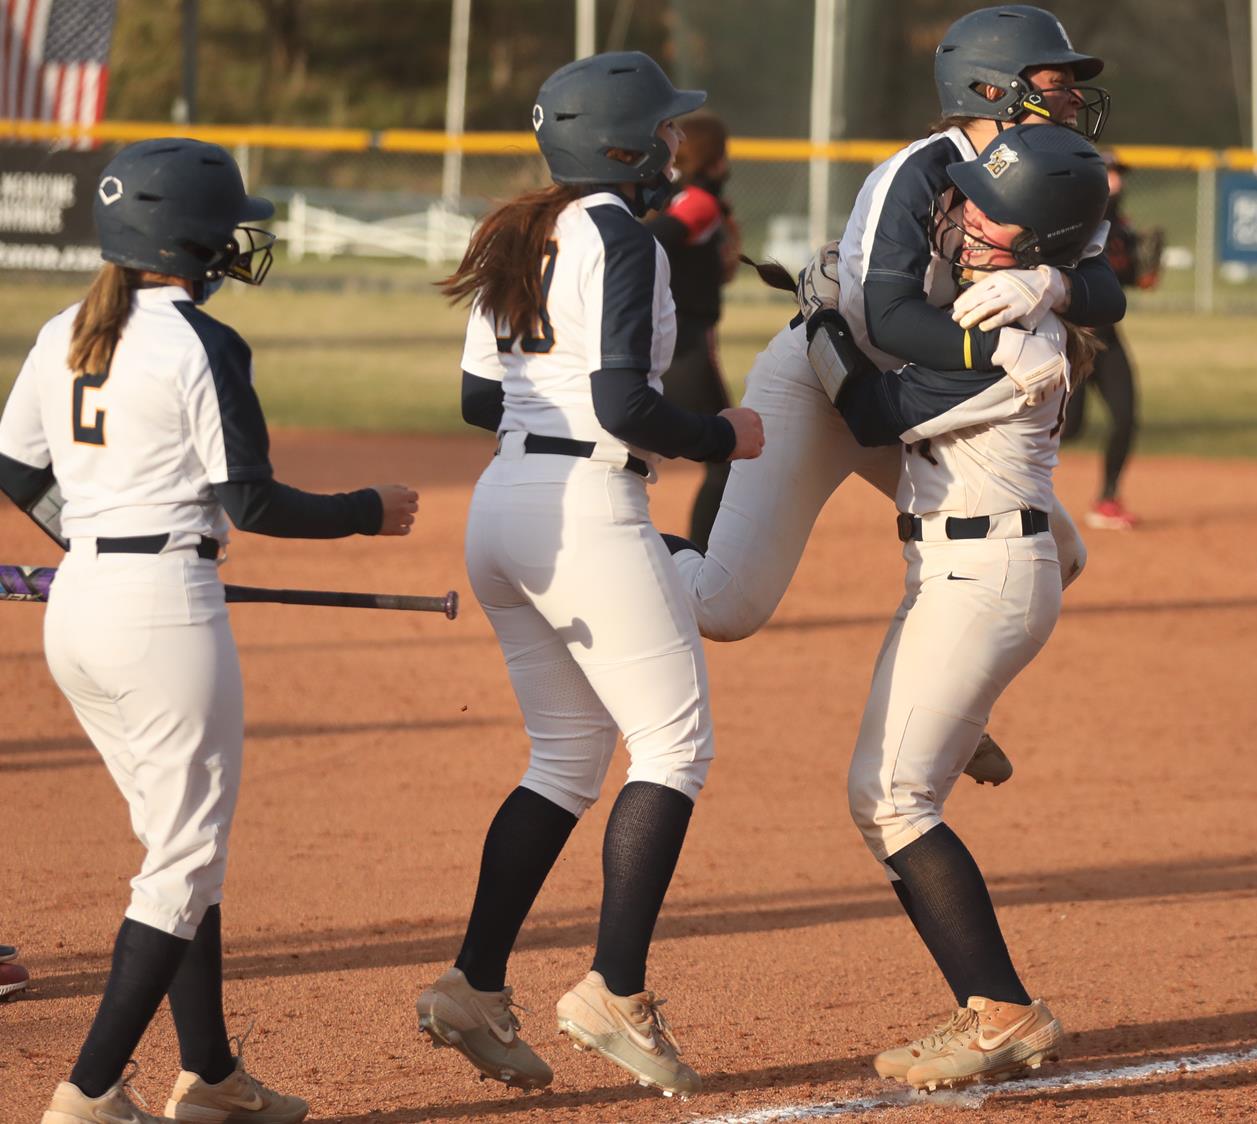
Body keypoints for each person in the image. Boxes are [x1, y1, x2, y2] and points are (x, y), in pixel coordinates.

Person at [0, 138, 419, 1124]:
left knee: (179, 850)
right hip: (161, 619)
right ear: (186, 237)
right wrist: (369, 507)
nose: (240, 239)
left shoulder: (67, 324)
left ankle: (212, 1075)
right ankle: (90, 1090)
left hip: (84, 608)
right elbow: (257, 501)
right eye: (227, 224)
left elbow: (17, 469)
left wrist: (101, 536)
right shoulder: (203, 342)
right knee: (181, 863)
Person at [416, 53, 760, 1098]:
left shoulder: (521, 228)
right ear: (619, 145)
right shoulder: (622, 234)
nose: (670, 144)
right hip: (585, 505)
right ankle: (614, 985)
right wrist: (720, 434)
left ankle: (474, 981)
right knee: (672, 742)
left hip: (504, 506)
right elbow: (621, 401)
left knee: (565, 757)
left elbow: (483, 401)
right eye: (658, 131)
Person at [671, 4, 1122, 789]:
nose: (1070, 99)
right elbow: (887, 318)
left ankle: (947, 706)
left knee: (1065, 553)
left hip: (927, 397)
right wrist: (998, 350)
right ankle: (614, 558)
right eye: (1052, 82)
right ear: (989, 89)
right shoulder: (915, 172)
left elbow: (1104, 290)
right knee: (724, 607)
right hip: (825, 378)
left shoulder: (1052, 168)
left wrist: (1048, 279)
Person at [799, 124, 1106, 1091]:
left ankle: (1001, 1011)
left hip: (983, 577)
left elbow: (868, 414)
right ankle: (961, 724)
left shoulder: (1012, 337)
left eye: (994, 211)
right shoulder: (999, 305)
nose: (969, 212)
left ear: (1042, 248)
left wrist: (818, 325)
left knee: (890, 798)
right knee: (891, 788)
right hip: (964, 570)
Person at [645, 112, 740, 548]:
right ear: (717, 161)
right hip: (682, 349)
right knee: (726, 457)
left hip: (681, 343)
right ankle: (700, 564)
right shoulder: (699, 201)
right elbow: (650, 242)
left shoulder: (680, 195)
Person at [1063, 150, 1156, 530]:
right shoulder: (1073, 220)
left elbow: (1124, 277)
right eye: (1110, 172)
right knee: (1069, 427)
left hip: (1108, 338)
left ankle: (1108, 498)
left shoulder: (1123, 226)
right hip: (1073, 336)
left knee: (1126, 417)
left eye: (1119, 173)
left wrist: (1142, 275)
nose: (1117, 180)